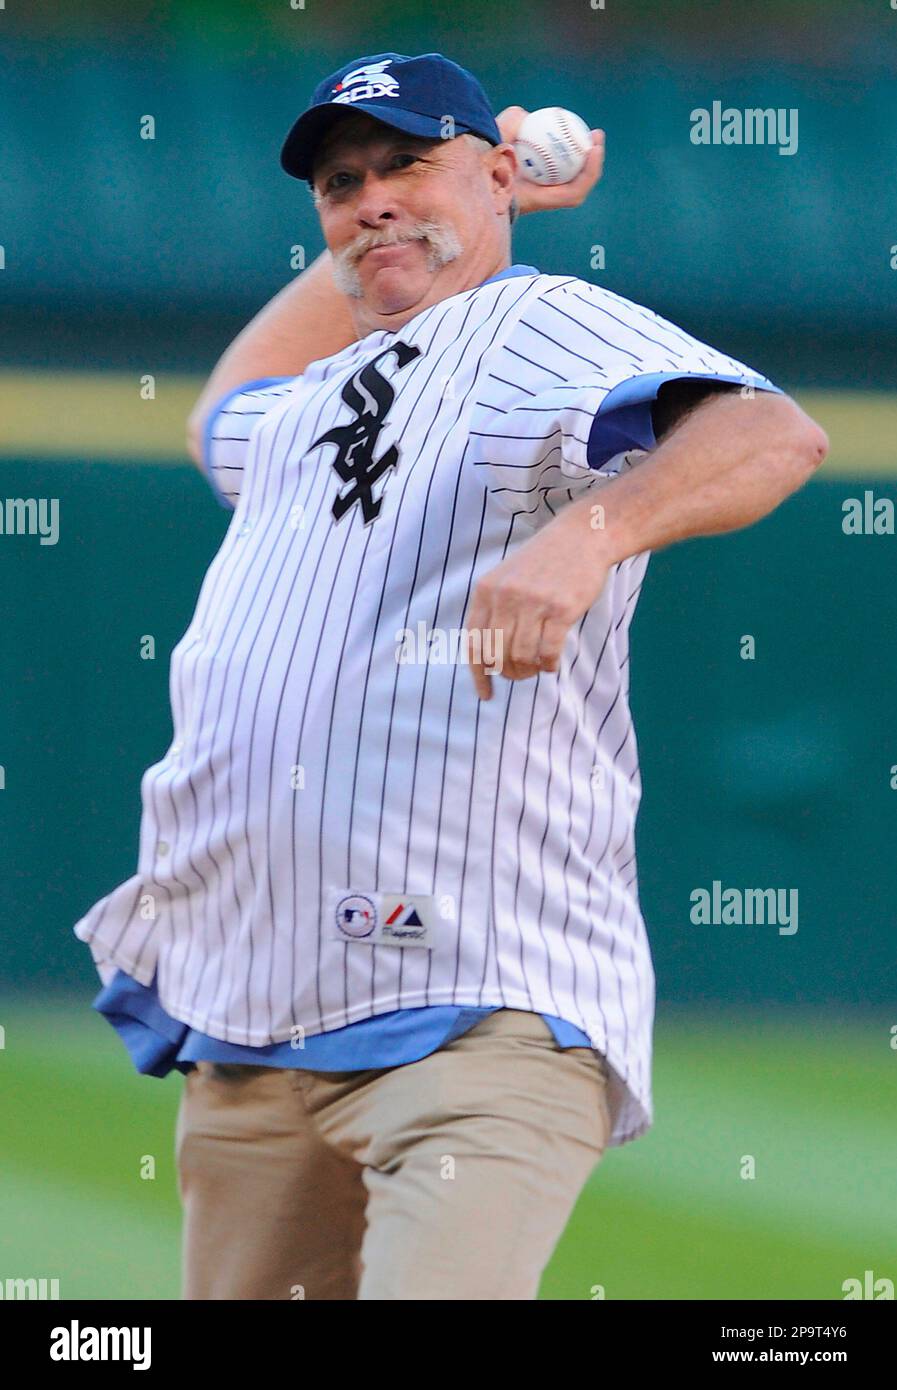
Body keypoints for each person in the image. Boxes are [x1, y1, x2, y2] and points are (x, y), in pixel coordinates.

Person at [73, 51, 828, 1300]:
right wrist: (404, 220)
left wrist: (589, 535)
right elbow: (224, 411)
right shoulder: (324, 392)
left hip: (476, 1010)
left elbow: (769, 431)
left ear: (494, 172)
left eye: (405, 162)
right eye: (339, 181)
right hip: (256, 1023)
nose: (364, 196)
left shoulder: (541, 325)